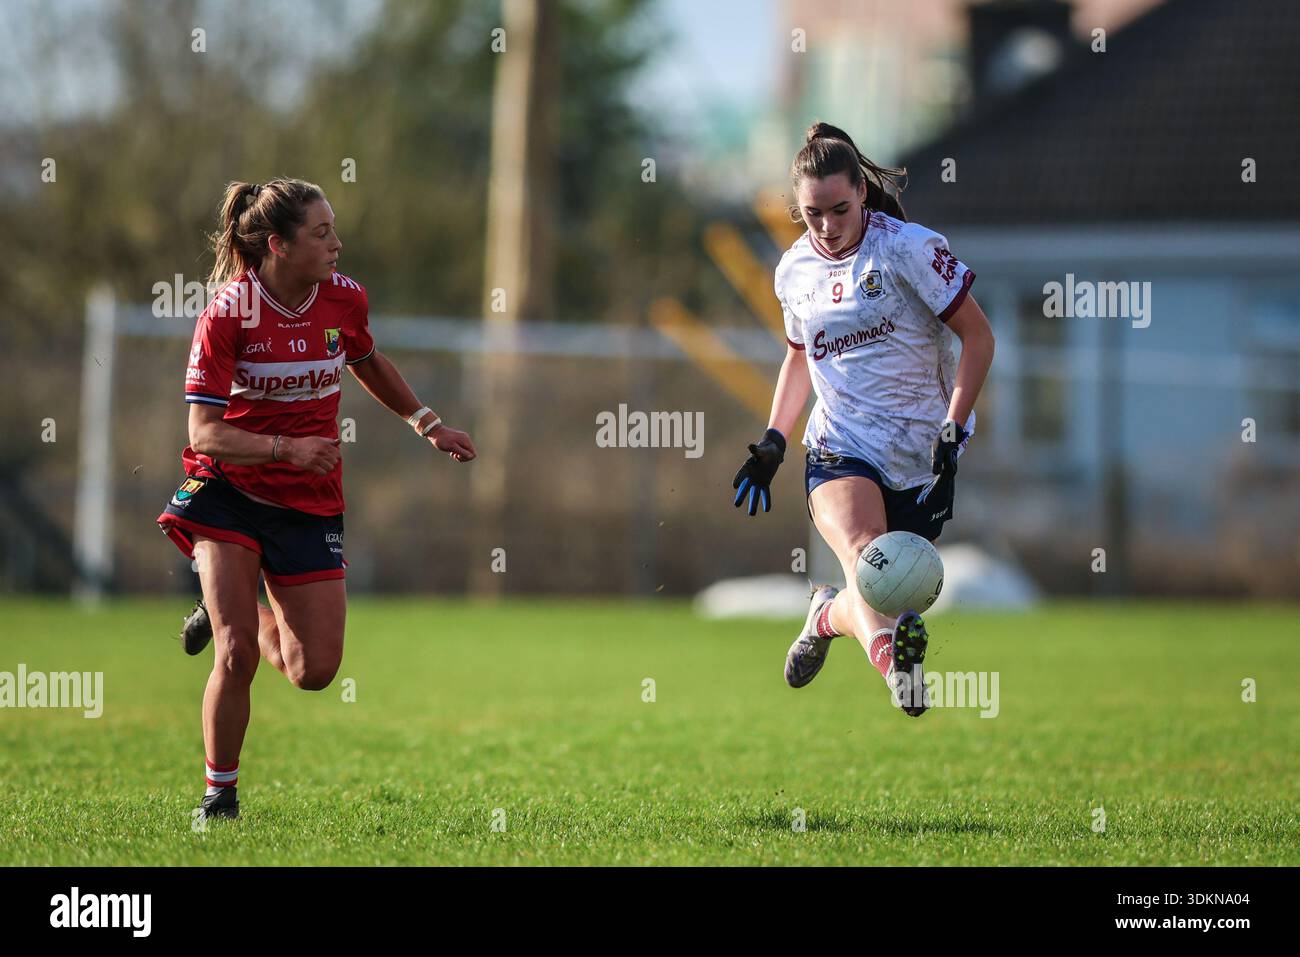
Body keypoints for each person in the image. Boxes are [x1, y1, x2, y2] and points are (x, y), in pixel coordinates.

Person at [157, 178, 476, 819]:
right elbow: (205, 433)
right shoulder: (228, 312)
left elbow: (366, 358)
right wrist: (284, 448)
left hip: (308, 498)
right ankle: (219, 796)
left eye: (335, 228)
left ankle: (233, 603)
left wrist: (428, 424)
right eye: (322, 232)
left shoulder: (344, 298)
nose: (338, 242)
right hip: (228, 489)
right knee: (237, 651)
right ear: (278, 244)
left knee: (315, 670)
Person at [732, 123, 995, 717]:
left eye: (838, 209)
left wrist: (952, 427)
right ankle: (897, 669)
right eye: (811, 214)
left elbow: (978, 338)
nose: (825, 227)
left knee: (879, 586)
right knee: (867, 557)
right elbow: (799, 357)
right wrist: (775, 437)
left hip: (923, 450)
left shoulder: (908, 250)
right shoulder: (794, 270)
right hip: (840, 443)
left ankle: (825, 616)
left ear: (862, 194)